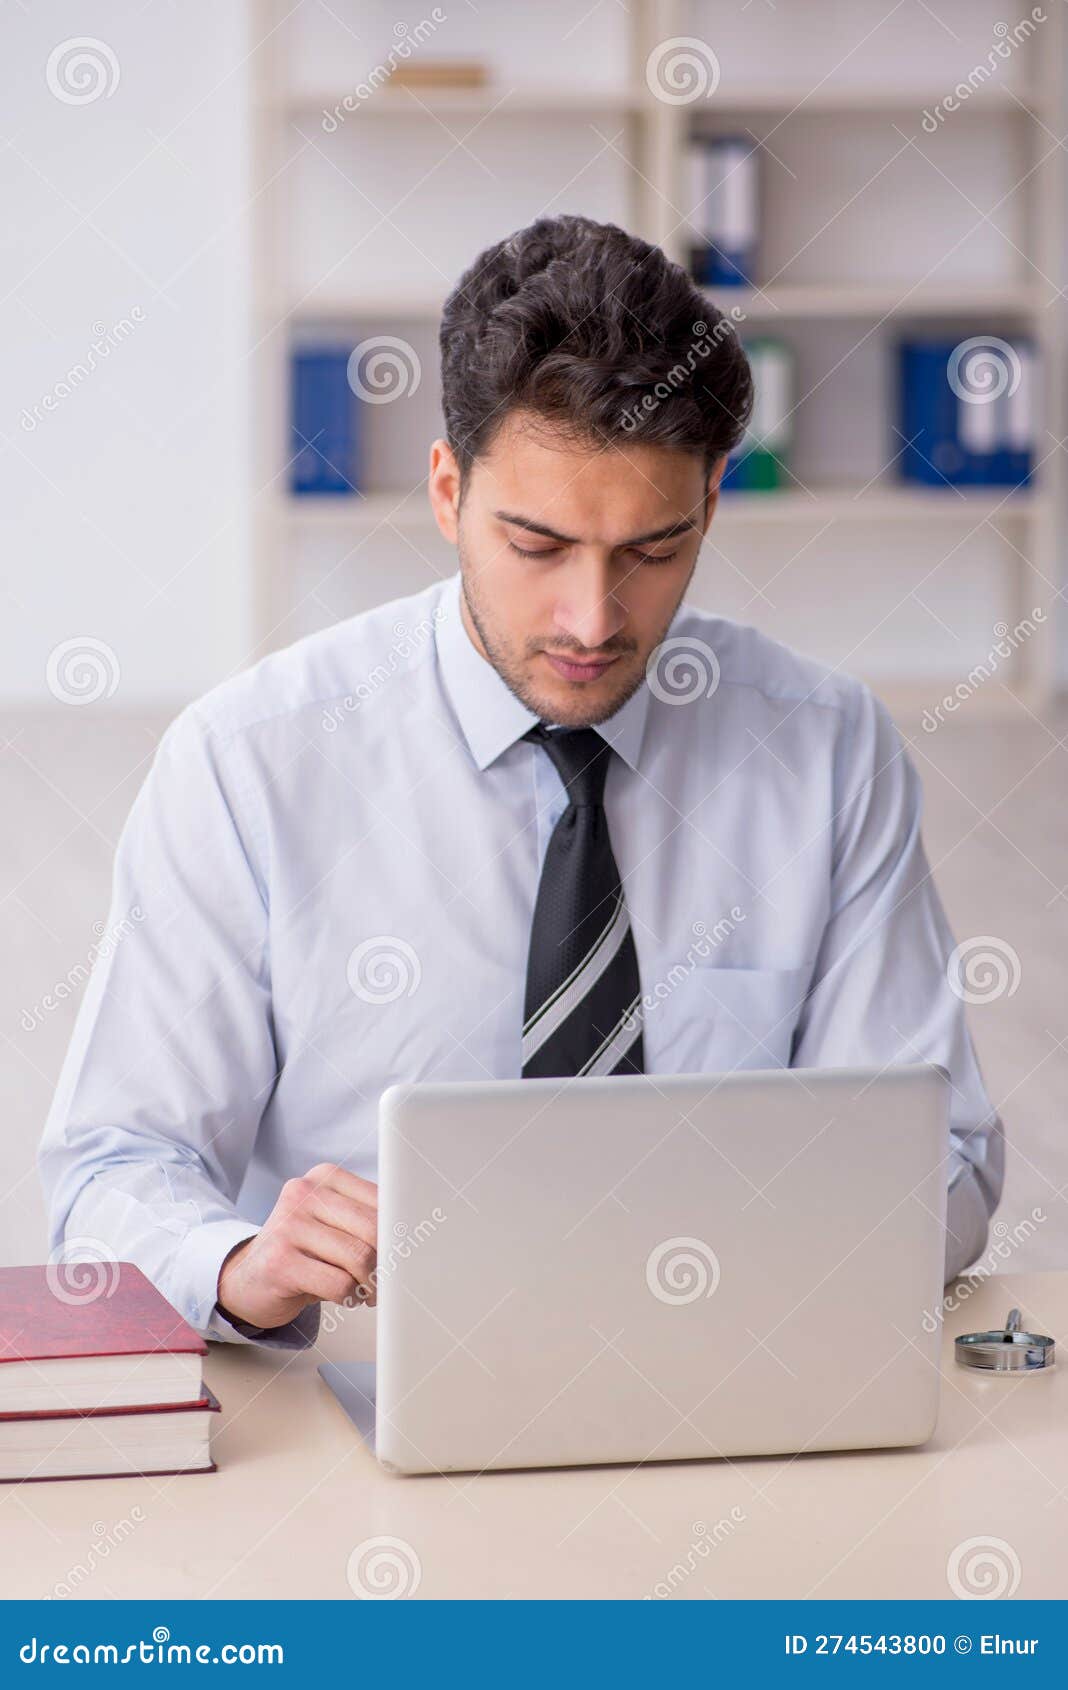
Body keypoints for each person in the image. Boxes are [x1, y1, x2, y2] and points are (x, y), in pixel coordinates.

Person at [39, 215, 1003, 1347]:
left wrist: (748, 1248)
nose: (593, 621)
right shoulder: (250, 763)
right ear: (448, 492)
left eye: (652, 551)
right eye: (538, 546)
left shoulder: (826, 748)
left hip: (730, 1361)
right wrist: (241, 1260)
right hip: (369, 1388)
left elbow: (942, 1154)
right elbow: (110, 1173)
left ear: (710, 508)